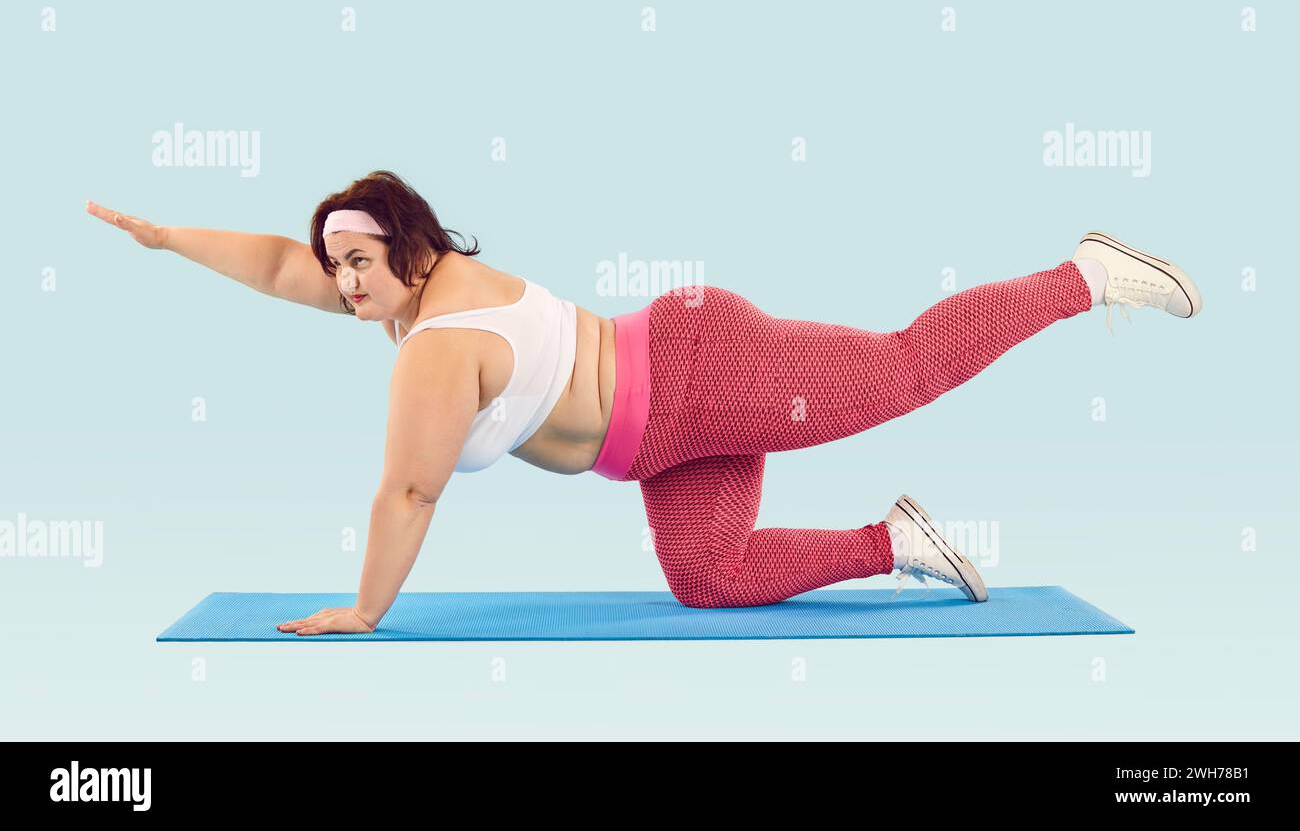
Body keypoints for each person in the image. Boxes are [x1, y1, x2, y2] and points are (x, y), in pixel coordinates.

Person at [85, 171, 1203, 634]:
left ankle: (1084, 275)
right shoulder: (405, 297)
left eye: (361, 262)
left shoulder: (433, 349)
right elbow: (285, 264)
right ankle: (889, 542)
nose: (343, 282)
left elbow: (409, 490)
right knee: (705, 578)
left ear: (414, 251)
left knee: (905, 367)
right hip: (663, 443)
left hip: (704, 373)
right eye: (339, 267)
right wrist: (166, 238)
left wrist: (364, 612)